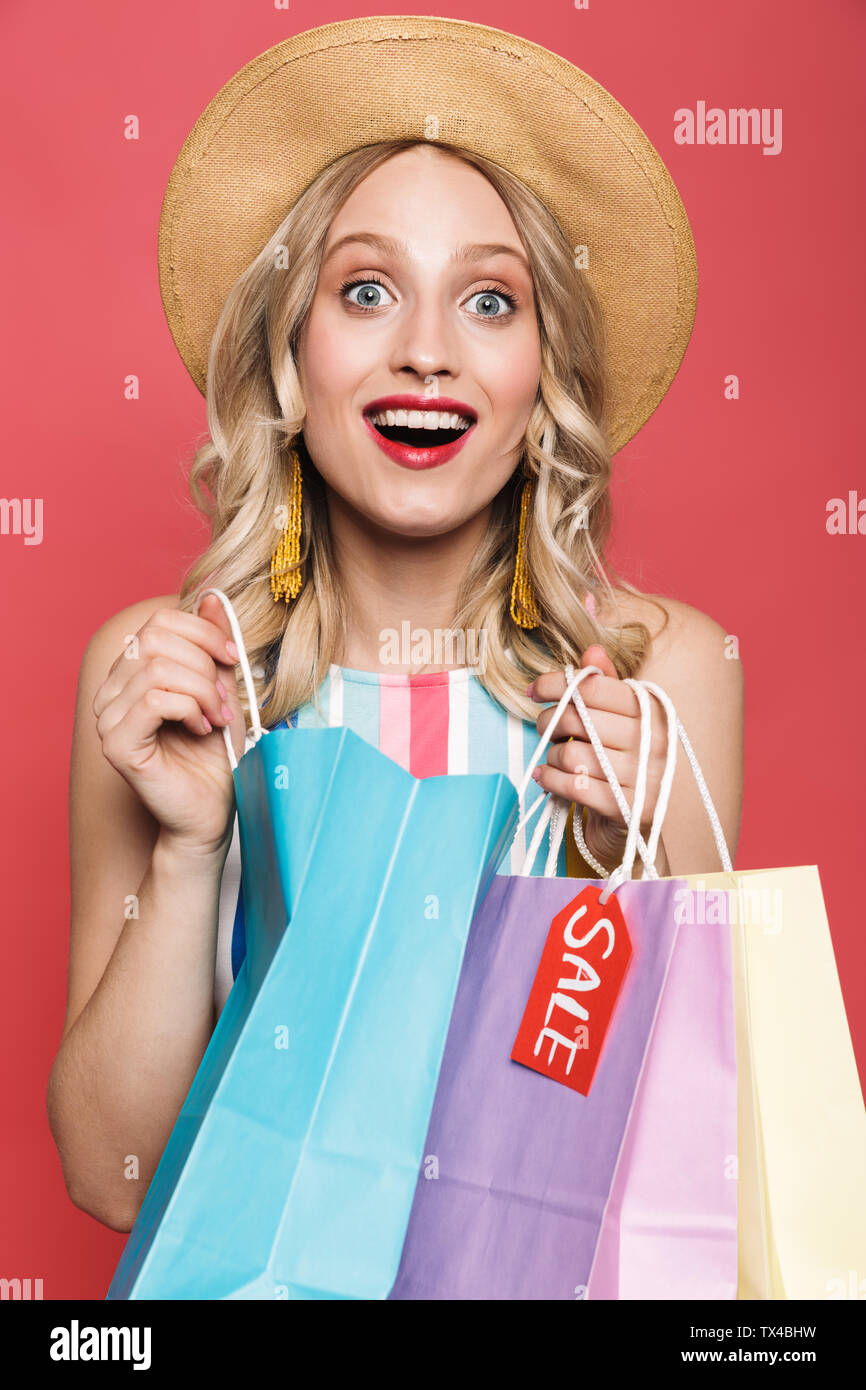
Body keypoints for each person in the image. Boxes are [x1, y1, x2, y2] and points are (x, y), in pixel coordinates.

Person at [47, 17, 743, 1235]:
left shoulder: (655, 672)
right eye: (364, 290)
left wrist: (629, 865)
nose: (426, 354)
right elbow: (111, 1181)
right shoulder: (174, 674)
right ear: (289, 355)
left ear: (543, 377)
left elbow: (696, 1163)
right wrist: (187, 847)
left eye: (488, 300)